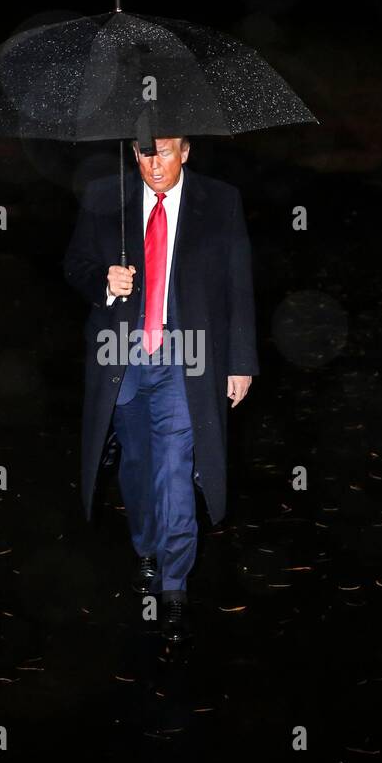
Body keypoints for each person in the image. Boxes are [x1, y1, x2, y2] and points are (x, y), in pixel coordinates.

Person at [63, 136, 258, 642]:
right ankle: (146, 544)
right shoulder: (107, 197)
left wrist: (239, 362)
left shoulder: (219, 201)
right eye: (146, 154)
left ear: (186, 152)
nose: (156, 165)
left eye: (166, 153)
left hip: (186, 352)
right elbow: (75, 264)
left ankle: (174, 584)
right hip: (119, 353)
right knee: (137, 463)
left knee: (173, 463)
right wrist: (106, 281)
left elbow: (239, 283)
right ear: (133, 153)